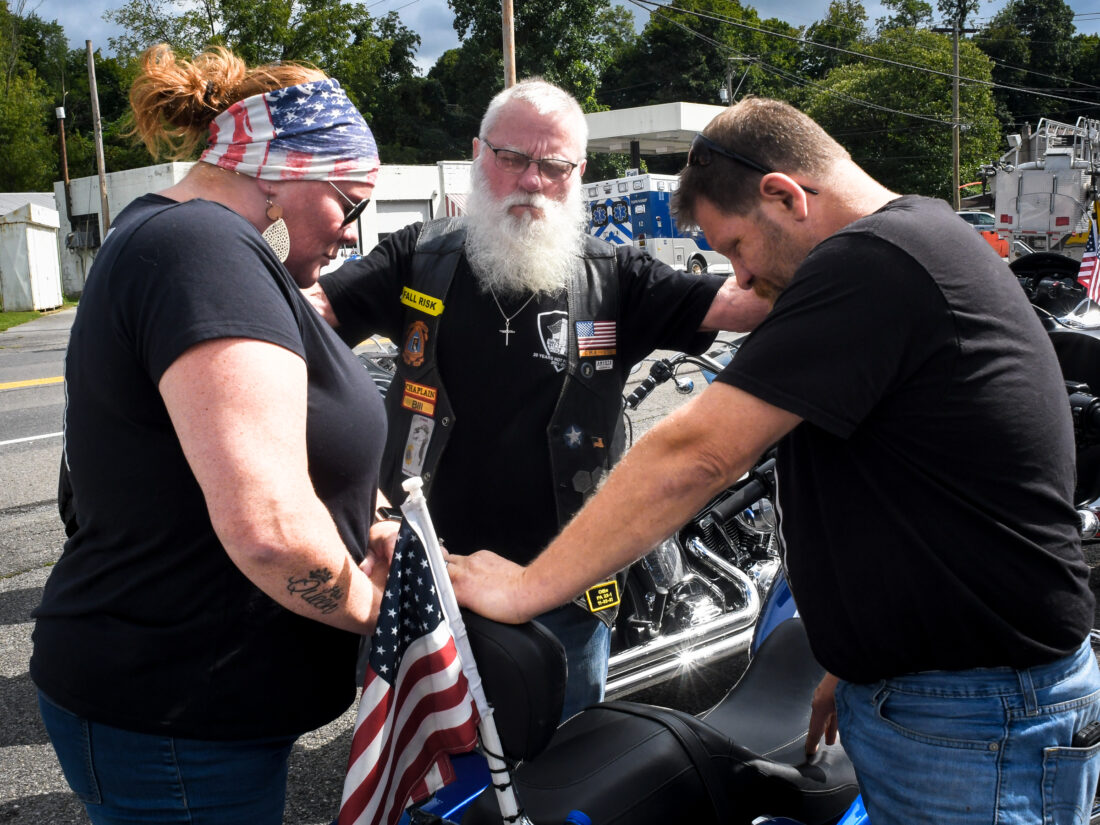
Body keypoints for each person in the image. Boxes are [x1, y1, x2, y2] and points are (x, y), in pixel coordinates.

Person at [447, 96, 1100, 824]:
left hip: (973, 719)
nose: (742, 280)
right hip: (943, 699)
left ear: (784, 196)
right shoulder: (914, 241)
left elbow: (698, 450)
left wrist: (525, 586)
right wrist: (853, 662)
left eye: (734, 249)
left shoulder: (870, 262)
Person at [305, 78, 769, 720]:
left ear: (577, 172)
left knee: (562, 769)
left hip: (565, 591)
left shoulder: (616, 277)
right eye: (512, 158)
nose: (531, 180)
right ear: (478, 154)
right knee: (421, 771)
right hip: (424, 575)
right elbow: (305, 318)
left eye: (553, 165)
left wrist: (841, 248)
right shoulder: (417, 259)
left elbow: (742, 305)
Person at [31, 44, 391, 825]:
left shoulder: (182, 240)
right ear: (280, 166)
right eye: (349, 205)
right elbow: (267, 533)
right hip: (173, 716)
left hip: (182, 705)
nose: (352, 236)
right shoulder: (202, 250)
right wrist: (379, 606)